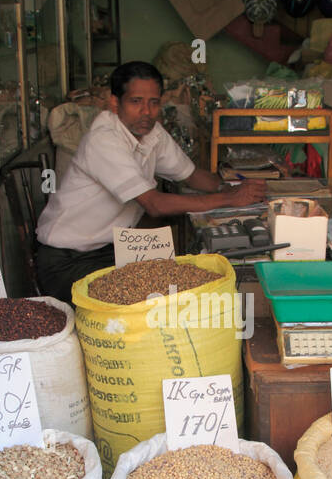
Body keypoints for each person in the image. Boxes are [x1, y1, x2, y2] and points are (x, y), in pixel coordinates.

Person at [35, 61, 267, 301]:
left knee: (183, 284)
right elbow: (154, 204)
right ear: (115, 103)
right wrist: (228, 199)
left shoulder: (151, 133)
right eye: (136, 102)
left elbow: (191, 175)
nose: (146, 111)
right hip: (66, 262)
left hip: (111, 252)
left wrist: (233, 187)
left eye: (153, 102)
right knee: (161, 300)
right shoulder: (103, 140)